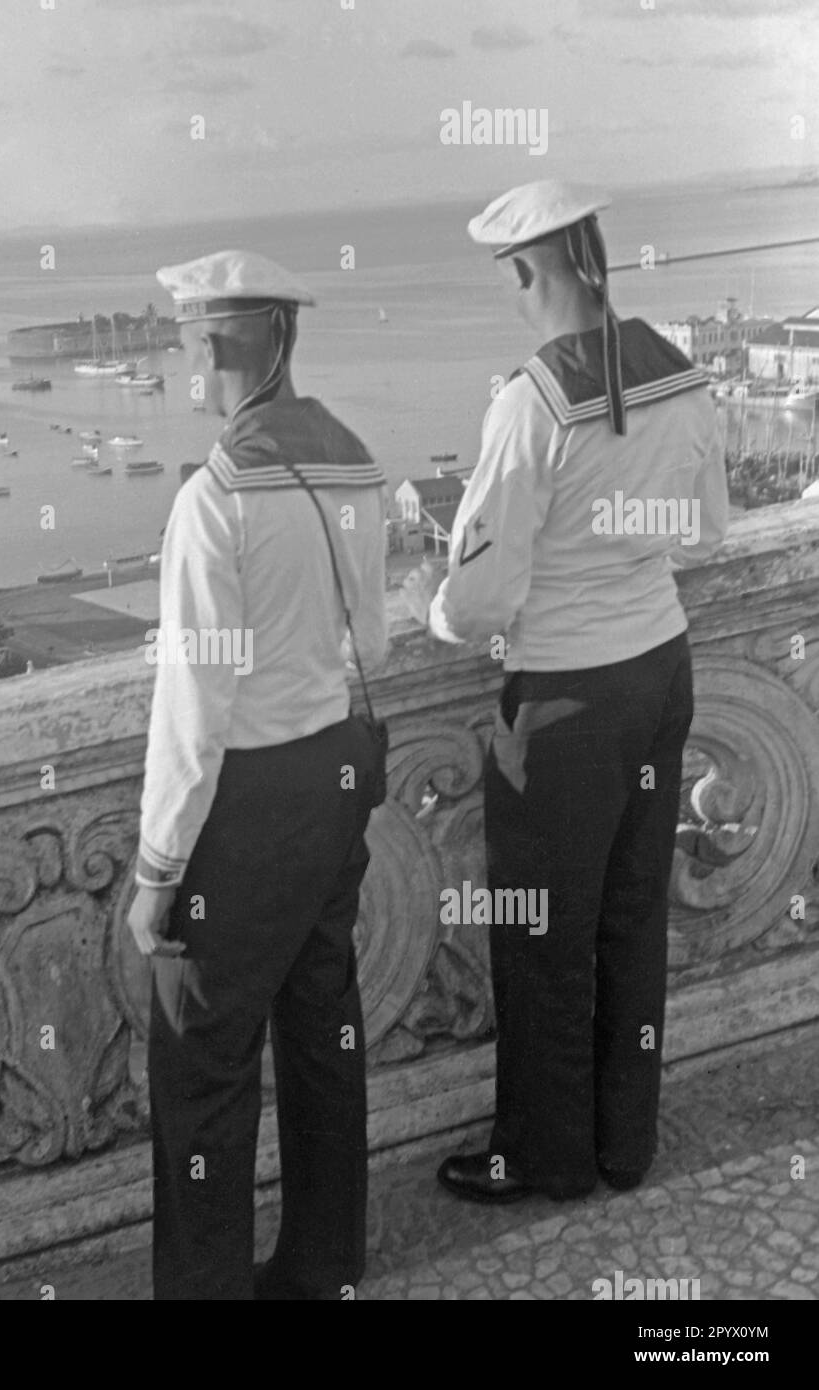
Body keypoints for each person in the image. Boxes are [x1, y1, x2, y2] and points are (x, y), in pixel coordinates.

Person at [401, 181, 728, 1203]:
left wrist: (427, 605)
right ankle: (624, 1141)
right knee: (633, 913)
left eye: (509, 277)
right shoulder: (680, 371)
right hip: (658, 672)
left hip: (565, 706)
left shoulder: (531, 401)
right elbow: (706, 534)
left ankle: (544, 1154)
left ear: (528, 270)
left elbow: (484, 598)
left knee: (543, 934)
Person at [126, 249, 389, 1298]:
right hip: (336, 772)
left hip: (249, 800)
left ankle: (204, 1287)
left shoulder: (214, 495)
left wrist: (156, 871)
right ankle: (326, 1264)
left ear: (232, 341)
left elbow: (195, 706)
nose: (188, 349)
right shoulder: (357, 460)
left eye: (195, 333)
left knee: (203, 1063)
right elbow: (370, 630)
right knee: (323, 1023)